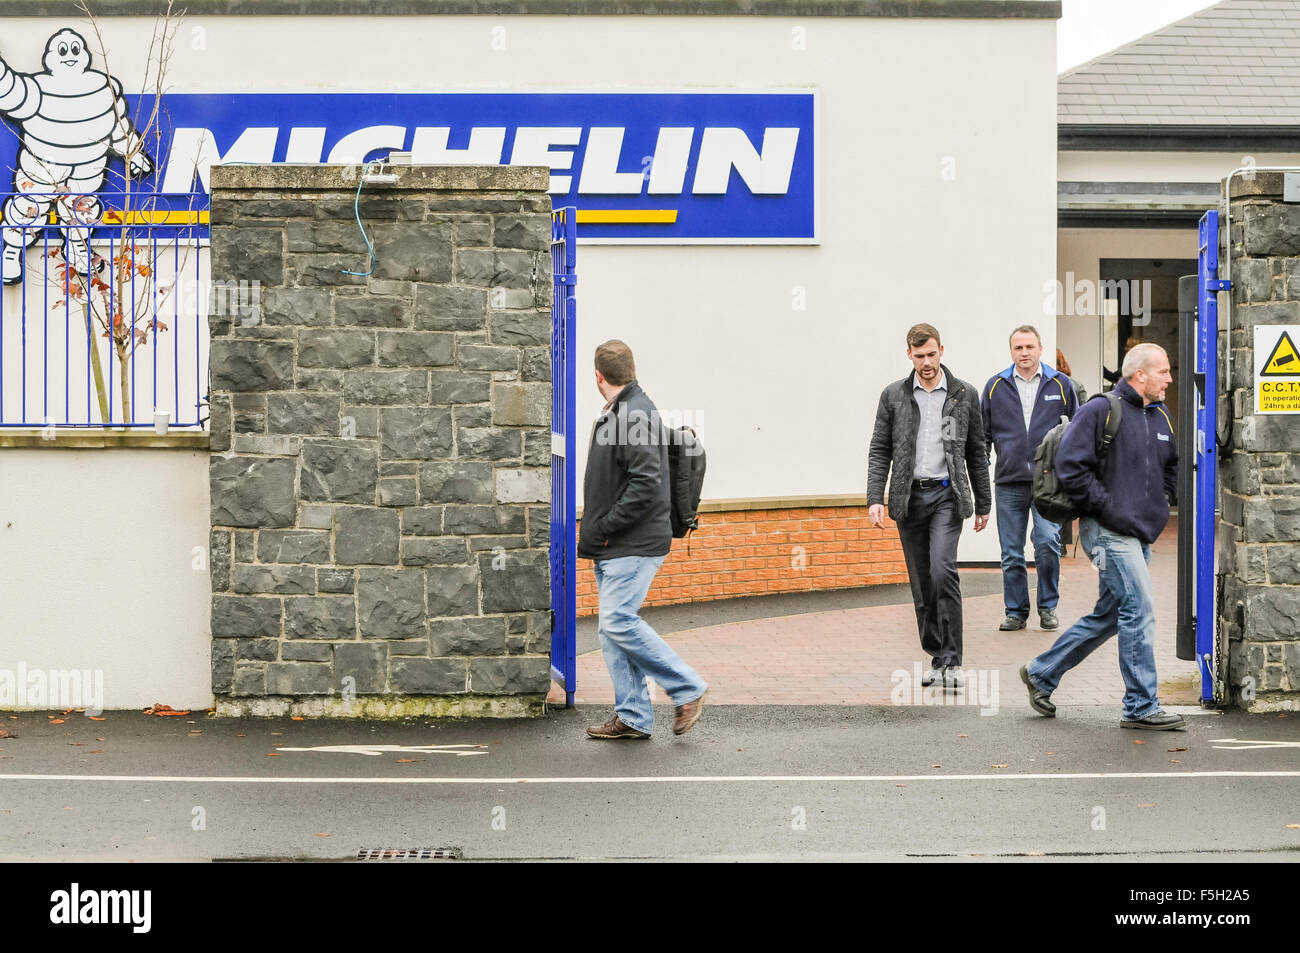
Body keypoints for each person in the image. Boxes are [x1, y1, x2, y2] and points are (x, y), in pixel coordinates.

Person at [1019, 343, 1185, 731]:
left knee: (1111, 615)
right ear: (1139, 374)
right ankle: (1141, 705)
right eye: (1163, 371)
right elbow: (1070, 467)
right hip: (1107, 534)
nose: (1169, 378)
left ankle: (1041, 673)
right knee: (1139, 609)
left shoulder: (1160, 415)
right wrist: (1108, 508)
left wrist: (1162, 500)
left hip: (1139, 533)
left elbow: (1171, 466)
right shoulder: (1100, 410)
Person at [578, 339, 708, 740]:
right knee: (612, 628)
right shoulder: (628, 410)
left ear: (598, 376)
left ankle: (687, 688)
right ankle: (633, 715)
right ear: (630, 371)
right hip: (618, 543)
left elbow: (647, 485)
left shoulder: (633, 415)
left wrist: (603, 527)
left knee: (618, 622)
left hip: (630, 542)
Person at [868, 323, 991, 689]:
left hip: (946, 496)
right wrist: (876, 497)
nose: (926, 362)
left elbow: (976, 452)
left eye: (931, 354)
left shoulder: (962, 394)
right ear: (909, 354)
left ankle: (953, 661)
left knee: (942, 570)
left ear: (942, 351)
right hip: (909, 499)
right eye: (919, 355)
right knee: (922, 583)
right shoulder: (894, 396)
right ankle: (937, 654)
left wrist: (982, 503)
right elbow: (880, 449)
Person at [980, 326, 1079, 633]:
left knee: (1048, 543)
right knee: (1011, 551)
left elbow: (1076, 432)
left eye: (1029, 347)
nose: (1024, 353)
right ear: (1011, 351)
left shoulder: (1061, 384)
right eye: (1018, 348)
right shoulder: (995, 386)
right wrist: (981, 473)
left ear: (1040, 348)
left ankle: (1048, 607)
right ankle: (1016, 611)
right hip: (1008, 481)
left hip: (1048, 482)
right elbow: (982, 436)